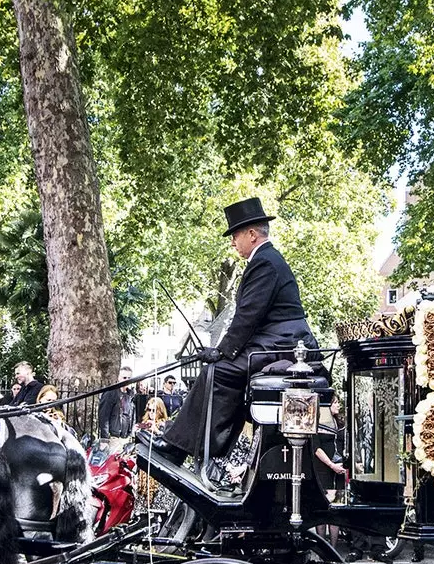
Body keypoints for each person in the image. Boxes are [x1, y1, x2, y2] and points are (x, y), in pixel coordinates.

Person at [154, 198, 317, 464]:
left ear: (252, 234)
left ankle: (184, 448)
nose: (232, 242)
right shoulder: (267, 260)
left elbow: (247, 317)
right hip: (274, 341)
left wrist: (221, 351)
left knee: (218, 372)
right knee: (217, 370)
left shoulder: (265, 262)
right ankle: (191, 447)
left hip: (282, 344)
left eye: (235, 235)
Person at [98, 367, 137, 450]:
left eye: (129, 378)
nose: (126, 380)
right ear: (119, 378)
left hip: (126, 438)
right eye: (124, 377)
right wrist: (104, 439)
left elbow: (131, 416)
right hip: (113, 438)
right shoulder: (110, 393)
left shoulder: (131, 395)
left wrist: (131, 434)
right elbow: (103, 417)